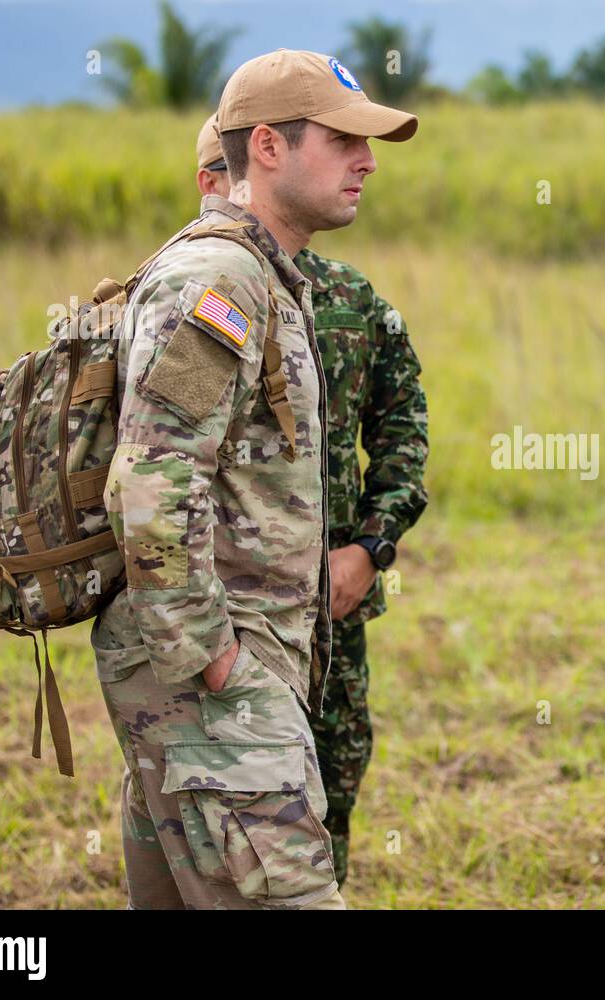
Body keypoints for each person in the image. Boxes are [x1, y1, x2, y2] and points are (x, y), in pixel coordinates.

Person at [94, 49, 416, 909]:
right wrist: (216, 663)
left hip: (221, 677)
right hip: (213, 683)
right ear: (267, 147)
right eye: (345, 139)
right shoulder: (221, 281)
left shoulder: (270, 277)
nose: (368, 161)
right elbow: (153, 482)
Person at [195, 112, 429, 886]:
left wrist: (369, 548)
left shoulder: (350, 302)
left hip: (331, 610)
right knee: (211, 807)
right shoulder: (197, 296)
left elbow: (405, 432)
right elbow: (153, 471)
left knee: (329, 784)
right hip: (228, 617)